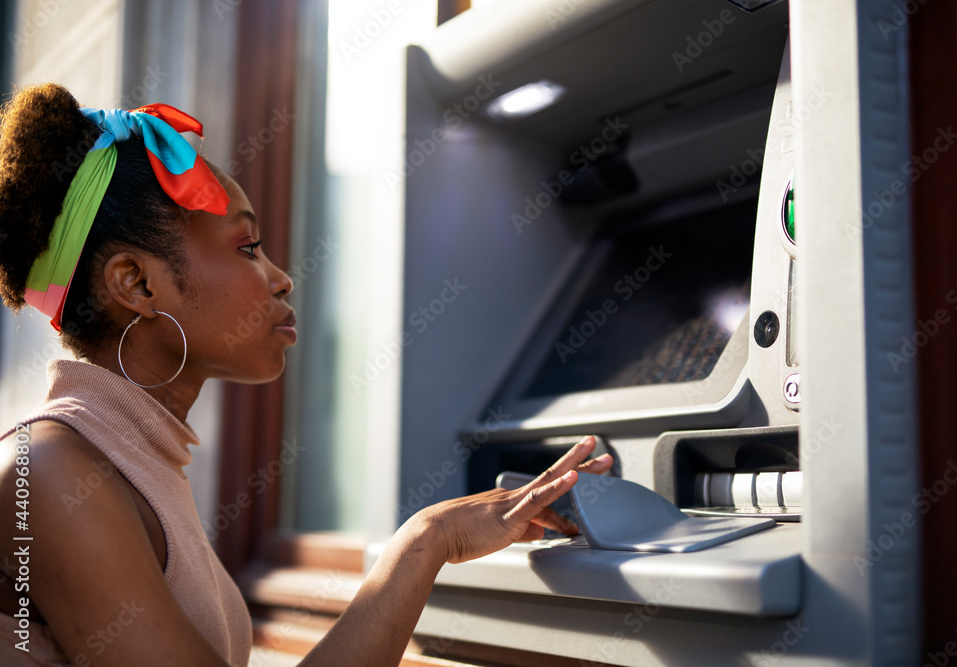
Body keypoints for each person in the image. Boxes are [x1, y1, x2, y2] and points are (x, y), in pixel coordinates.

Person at [0, 83, 614, 667]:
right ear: (136, 283)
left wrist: (431, 536)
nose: (281, 278)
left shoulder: (128, 455)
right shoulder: (50, 472)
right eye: (248, 247)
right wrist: (429, 541)